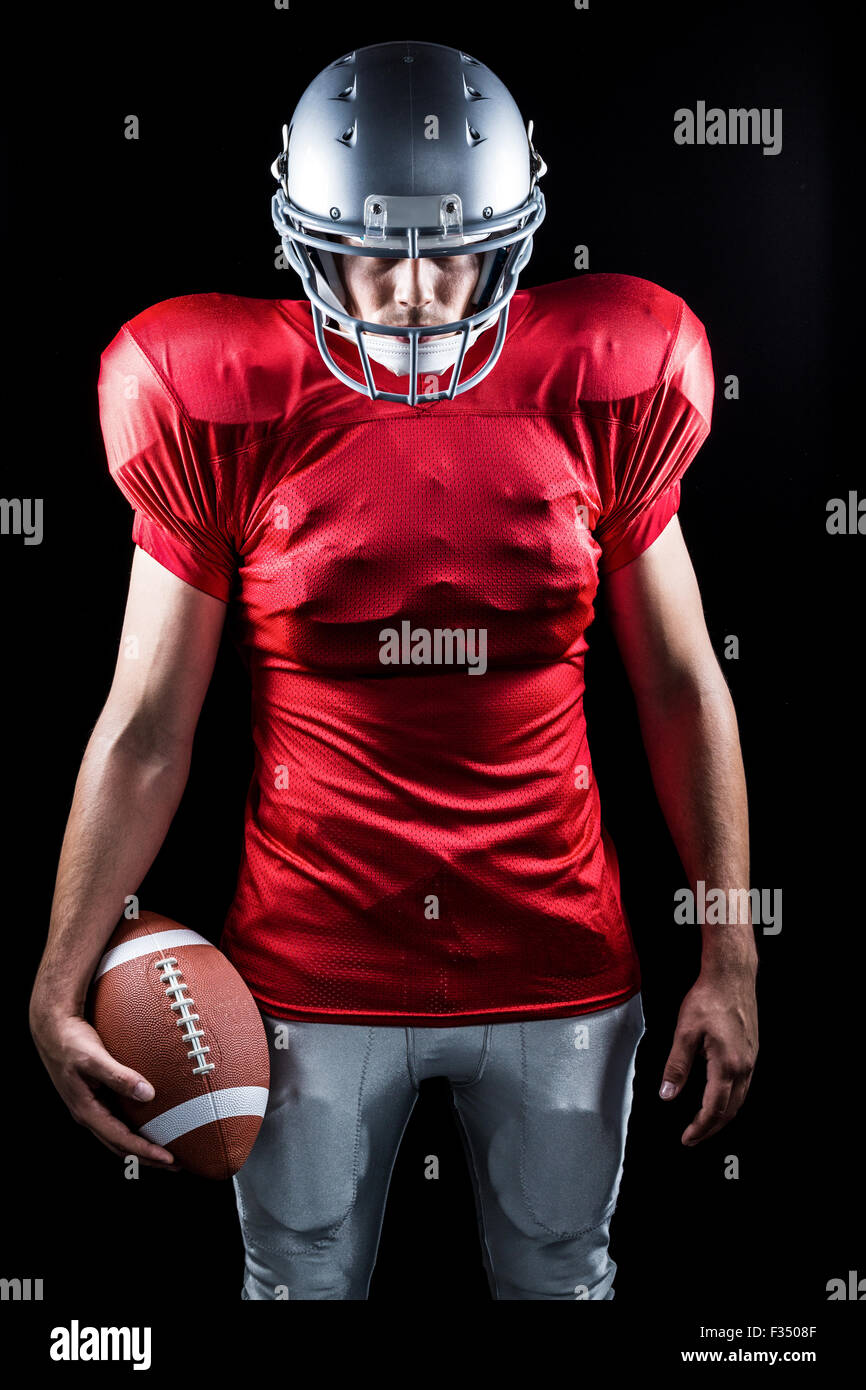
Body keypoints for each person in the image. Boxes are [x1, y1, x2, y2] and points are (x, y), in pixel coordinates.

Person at [29, 40, 758, 1301]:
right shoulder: (220, 400)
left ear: (519, 235)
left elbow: (681, 686)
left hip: (559, 961)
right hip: (306, 975)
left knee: (560, 1278)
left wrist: (730, 955)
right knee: (297, 1283)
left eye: (452, 249)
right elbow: (149, 725)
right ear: (302, 239)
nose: (418, 290)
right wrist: (57, 975)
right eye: (377, 248)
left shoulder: (604, 382)